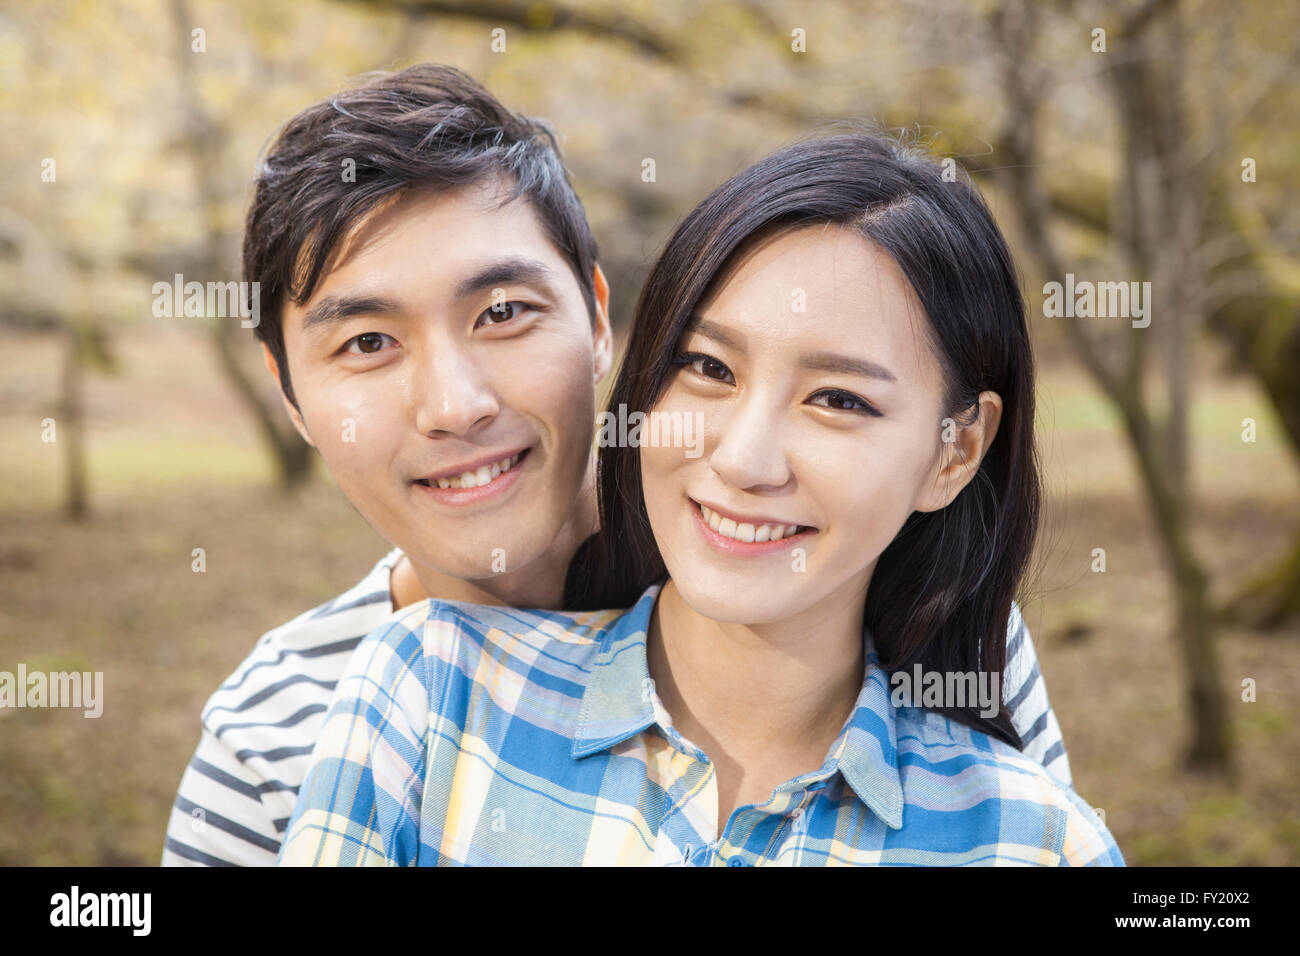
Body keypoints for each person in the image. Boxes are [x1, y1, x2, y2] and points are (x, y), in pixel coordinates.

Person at [278, 130, 1120, 866]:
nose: (745, 459)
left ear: (956, 449)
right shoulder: (428, 697)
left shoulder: (1030, 838)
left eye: (838, 399)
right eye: (709, 369)